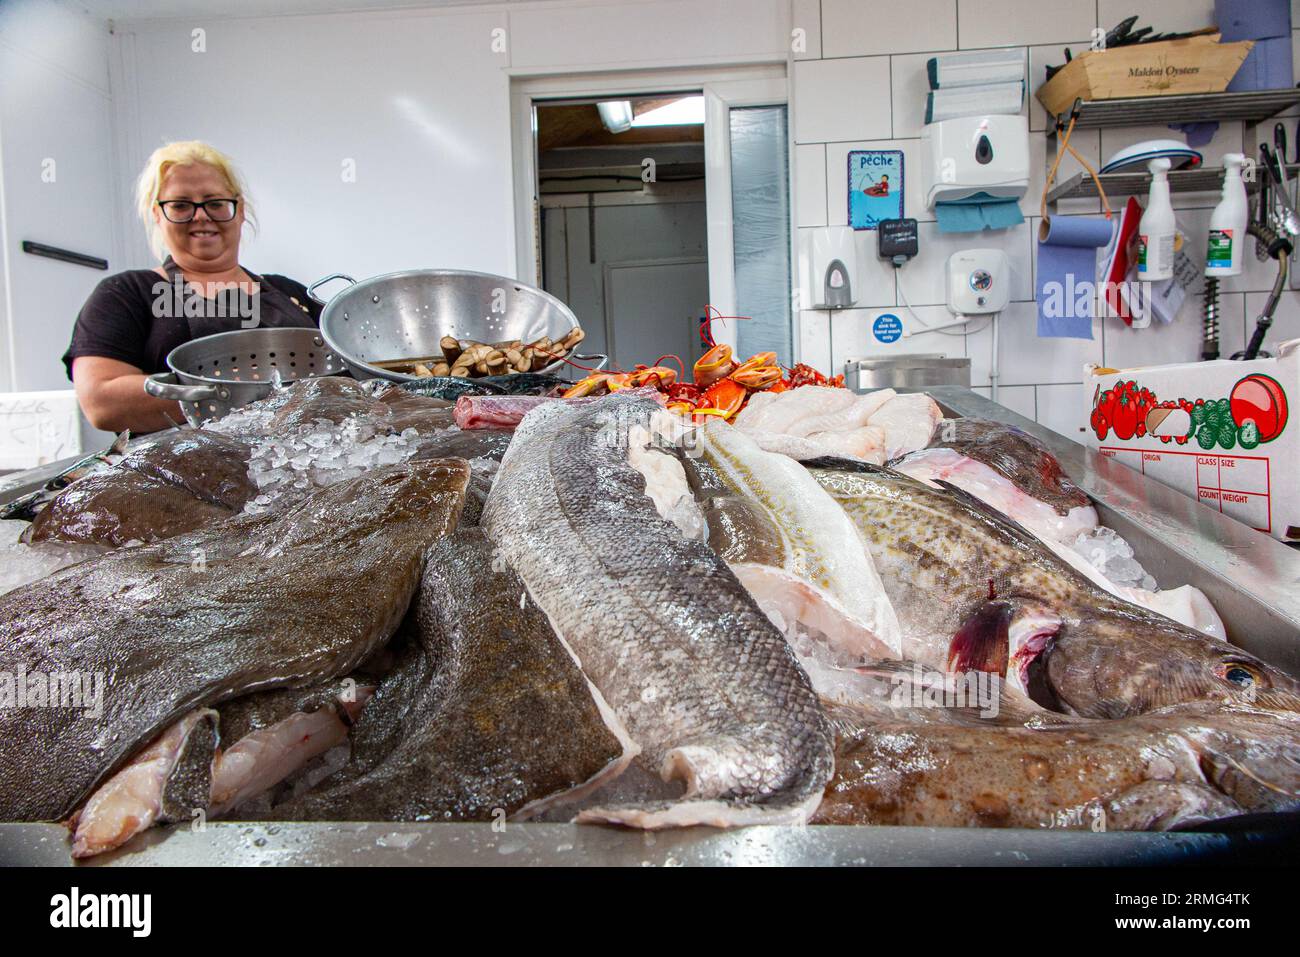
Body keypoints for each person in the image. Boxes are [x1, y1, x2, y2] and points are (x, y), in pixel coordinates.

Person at [64, 141, 321, 433]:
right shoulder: (126, 293)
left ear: (239, 211)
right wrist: (239, 391)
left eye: (215, 203)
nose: (201, 216)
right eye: (181, 205)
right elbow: (102, 401)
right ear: (157, 214)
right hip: (187, 472)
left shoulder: (291, 293)